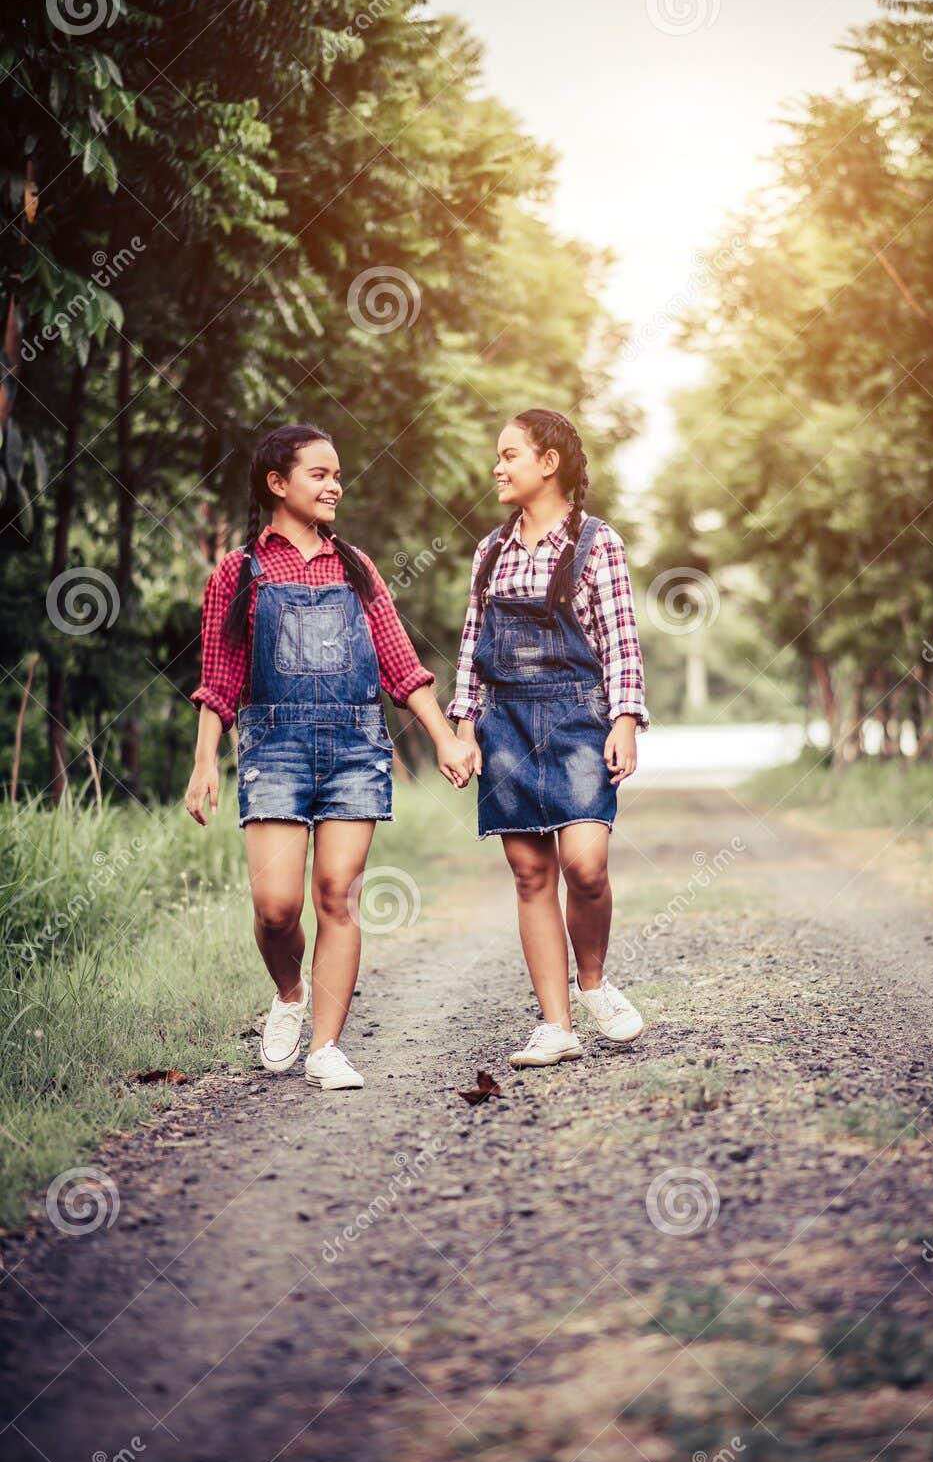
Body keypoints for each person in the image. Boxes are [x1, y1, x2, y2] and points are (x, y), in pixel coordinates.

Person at [184, 423, 475, 1090]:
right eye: (319, 473)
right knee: (277, 907)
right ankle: (289, 994)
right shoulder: (239, 571)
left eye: (338, 473)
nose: (335, 484)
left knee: (337, 896)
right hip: (274, 747)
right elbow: (220, 677)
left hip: (352, 745)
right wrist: (205, 761)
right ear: (278, 484)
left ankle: (326, 1046)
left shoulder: (356, 566)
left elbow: (401, 667)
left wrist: (445, 738)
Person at [449, 408, 648, 1068]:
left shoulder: (597, 544)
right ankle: (556, 1024)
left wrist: (624, 719)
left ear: (549, 462)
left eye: (510, 455)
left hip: (577, 720)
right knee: (530, 874)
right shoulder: (489, 552)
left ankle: (592, 984)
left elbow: (621, 641)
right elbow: (471, 647)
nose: (497, 467)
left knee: (585, 866)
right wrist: (463, 725)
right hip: (504, 723)